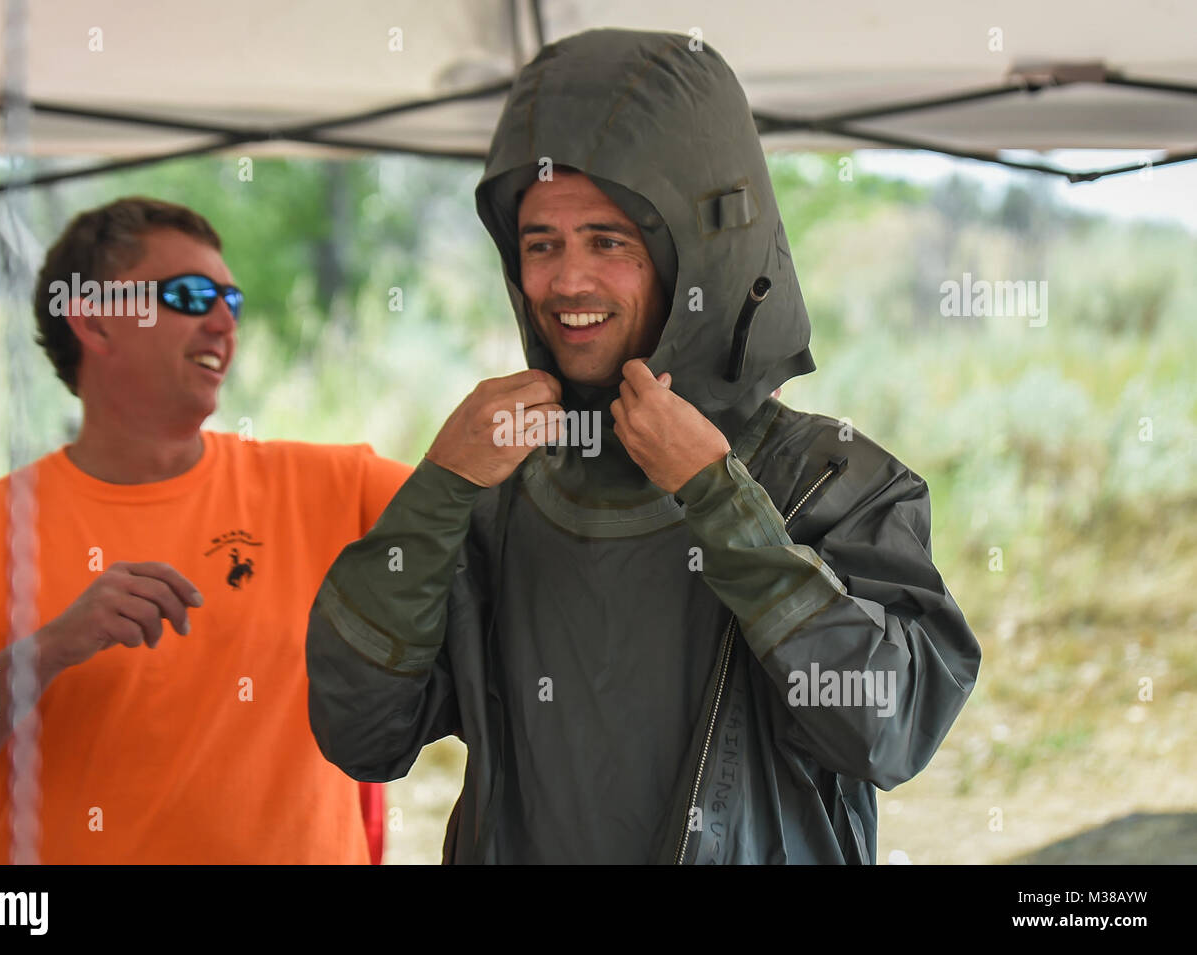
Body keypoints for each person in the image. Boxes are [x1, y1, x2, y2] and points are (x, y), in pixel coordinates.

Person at [306, 29, 982, 864]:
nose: (566, 281)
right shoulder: (500, 490)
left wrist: (717, 495)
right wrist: (440, 485)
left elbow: (887, 725)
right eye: (540, 244)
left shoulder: (830, 478)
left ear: (698, 255)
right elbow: (363, 732)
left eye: (608, 241)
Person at [0, 197, 409, 864]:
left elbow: (504, 518)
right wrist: (49, 649)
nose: (225, 320)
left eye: (233, 299)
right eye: (192, 295)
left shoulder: (336, 486)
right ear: (94, 320)